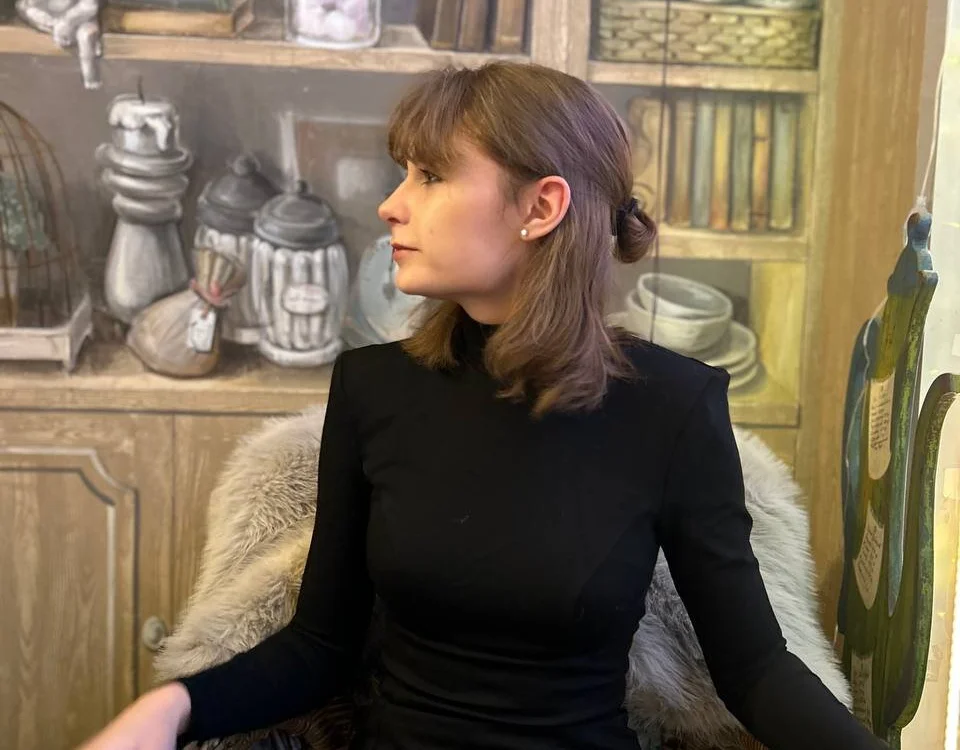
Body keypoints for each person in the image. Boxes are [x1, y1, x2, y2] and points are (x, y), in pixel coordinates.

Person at [79, 61, 886, 750]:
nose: (393, 204)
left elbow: (754, 670)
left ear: (541, 208)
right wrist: (169, 709)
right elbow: (319, 646)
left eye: (430, 176)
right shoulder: (373, 389)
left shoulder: (674, 408)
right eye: (404, 173)